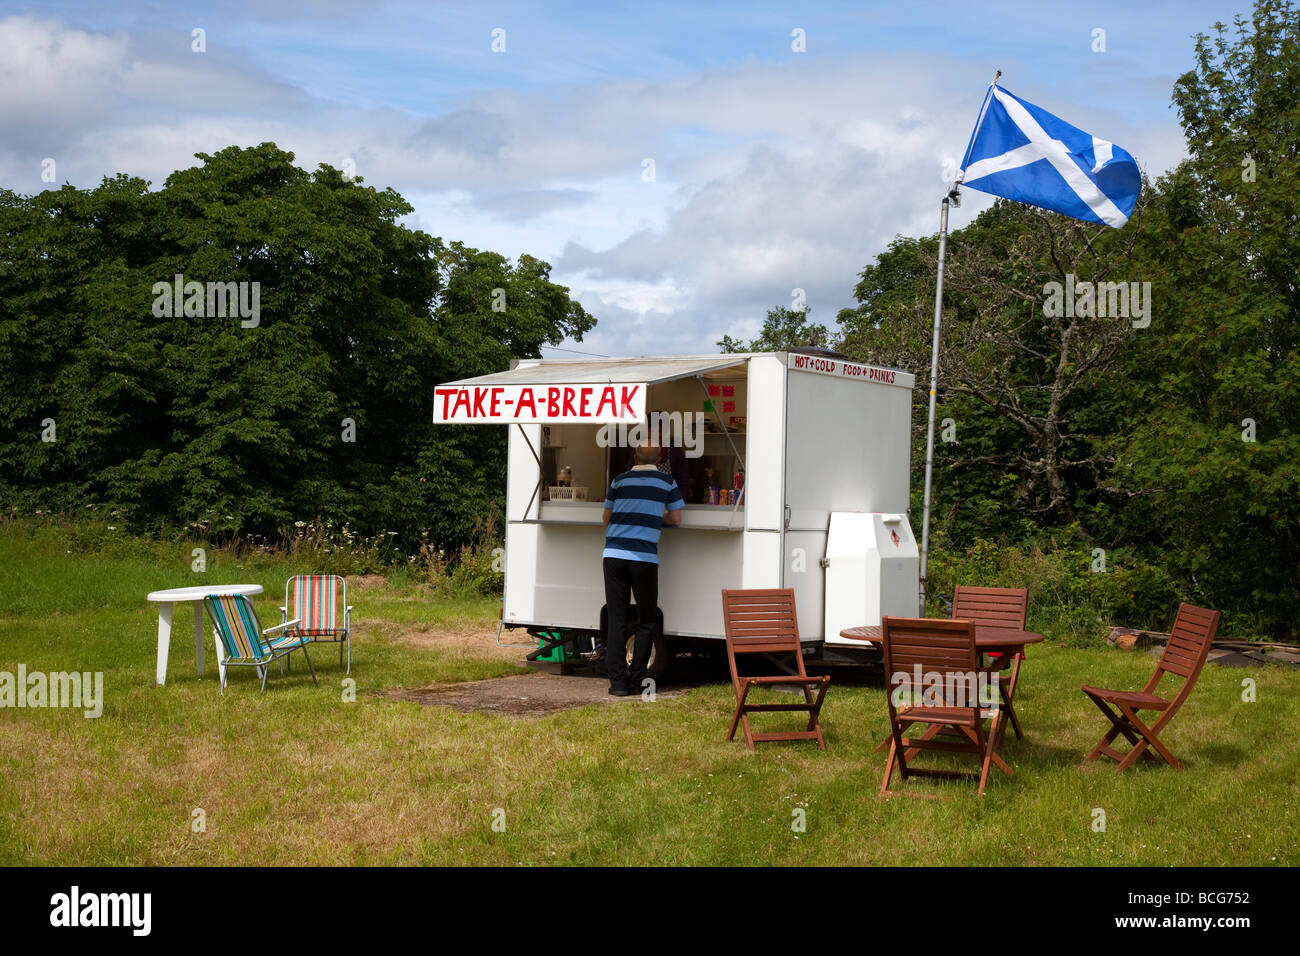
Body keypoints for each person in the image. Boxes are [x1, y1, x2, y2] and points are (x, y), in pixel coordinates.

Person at [601, 441, 684, 696]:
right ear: (659, 457)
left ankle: (617, 685)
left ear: (634, 457)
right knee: (646, 621)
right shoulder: (666, 482)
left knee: (616, 620)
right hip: (643, 558)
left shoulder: (619, 481)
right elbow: (676, 518)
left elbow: (606, 518)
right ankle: (638, 681)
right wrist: (654, 514)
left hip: (613, 556)